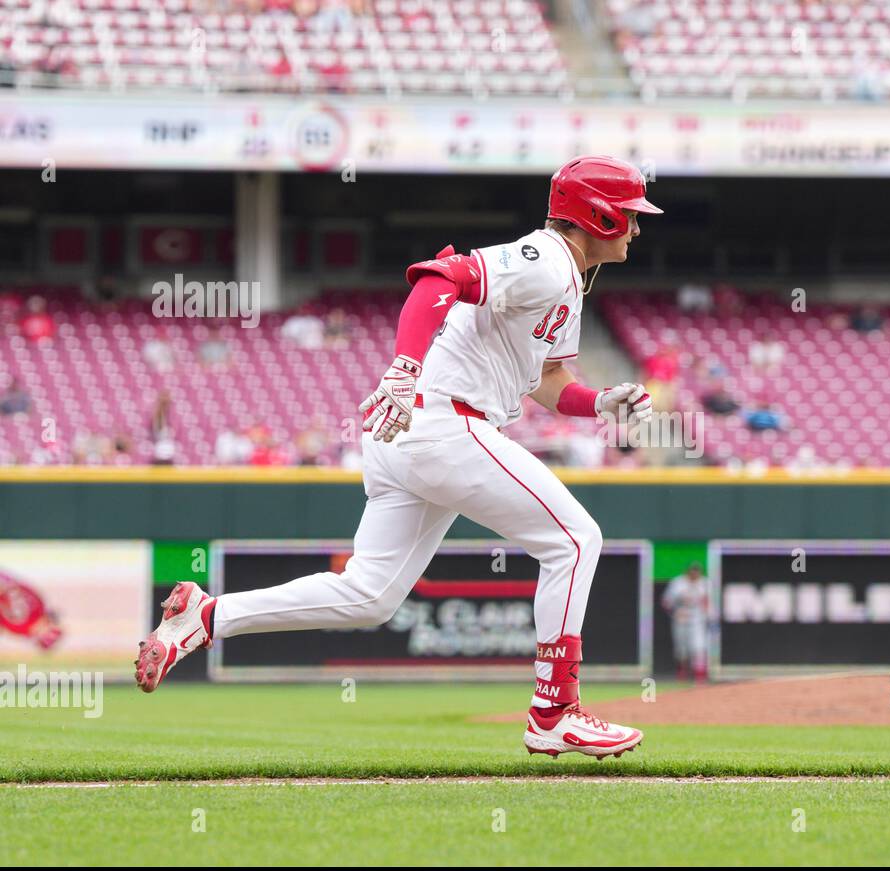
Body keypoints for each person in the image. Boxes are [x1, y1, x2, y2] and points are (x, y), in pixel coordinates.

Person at [134, 156, 662, 761]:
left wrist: (600, 403)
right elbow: (437, 277)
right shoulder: (545, 260)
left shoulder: (565, 279)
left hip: (415, 434)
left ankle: (207, 616)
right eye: (628, 215)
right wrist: (404, 369)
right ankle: (553, 713)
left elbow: (546, 379)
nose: (636, 228)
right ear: (595, 214)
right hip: (442, 422)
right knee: (574, 540)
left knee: (369, 597)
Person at [662, 563, 709, 682]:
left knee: (698, 646)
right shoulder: (678, 583)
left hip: (698, 619)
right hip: (681, 618)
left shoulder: (705, 583)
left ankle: (700, 675)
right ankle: (682, 672)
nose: (695, 574)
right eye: (692, 572)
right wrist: (674, 612)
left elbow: (709, 602)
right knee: (681, 649)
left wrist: (708, 615)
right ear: (688, 572)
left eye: (697, 572)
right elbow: (666, 602)